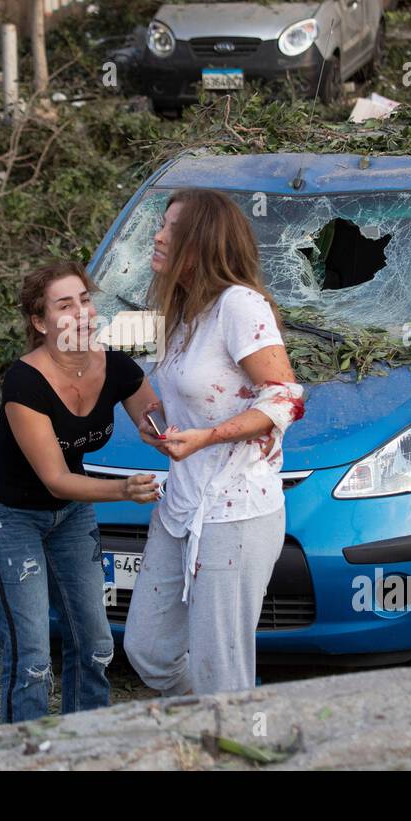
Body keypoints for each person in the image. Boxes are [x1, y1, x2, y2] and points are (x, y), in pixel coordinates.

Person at [123, 189, 304, 697]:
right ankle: (215, 719)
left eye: (171, 228)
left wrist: (208, 438)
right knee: (148, 649)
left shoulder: (239, 306)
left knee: (220, 670)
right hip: (181, 506)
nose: (157, 236)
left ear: (201, 242)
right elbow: (193, 397)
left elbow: (286, 397)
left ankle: (230, 736)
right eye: (161, 225)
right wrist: (156, 421)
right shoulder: (183, 312)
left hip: (236, 512)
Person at [0, 260, 161, 723]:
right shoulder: (24, 381)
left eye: (85, 299)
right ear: (40, 322)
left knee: (95, 644)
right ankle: (29, 754)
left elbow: (159, 424)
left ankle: (85, 742)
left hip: (71, 514)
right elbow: (55, 478)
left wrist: (189, 428)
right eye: (64, 305)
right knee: (32, 657)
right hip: (9, 516)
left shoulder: (115, 365)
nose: (82, 313)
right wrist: (124, 490)